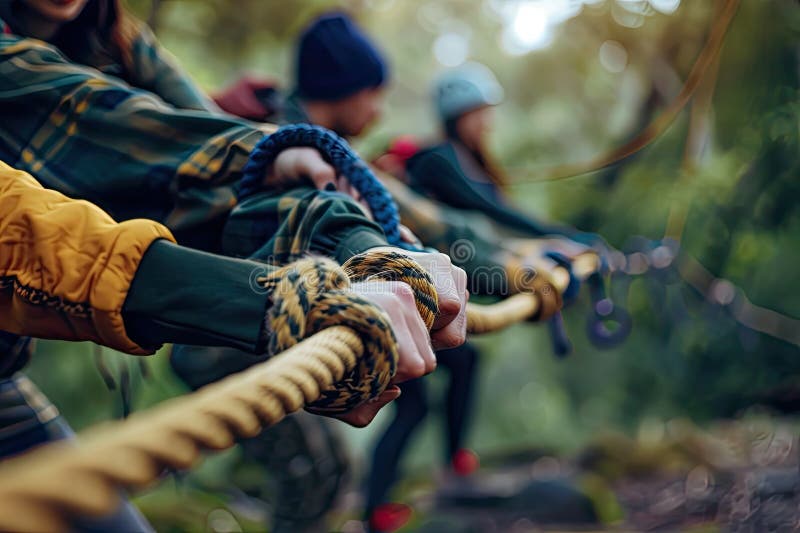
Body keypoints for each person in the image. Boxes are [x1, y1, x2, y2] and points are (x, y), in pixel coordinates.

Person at [0, 3, 469, 530]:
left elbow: (205, 137)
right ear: (348, 90)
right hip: (215, 343)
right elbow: (132, 142)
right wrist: (290, 291)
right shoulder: (30, 71)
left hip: (7, 380)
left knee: (326, 472)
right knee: (315, 473)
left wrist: (369, 247)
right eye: (374, 94)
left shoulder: (119, 38)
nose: (380, 111)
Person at [408, 62, 604, 247]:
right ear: (456, 117)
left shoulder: (466, 160)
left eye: (486, 113)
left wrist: (565, 235)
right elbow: (493, 210)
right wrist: (565, 236)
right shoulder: (438, 160)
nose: (486, 123)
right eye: (476, 113)